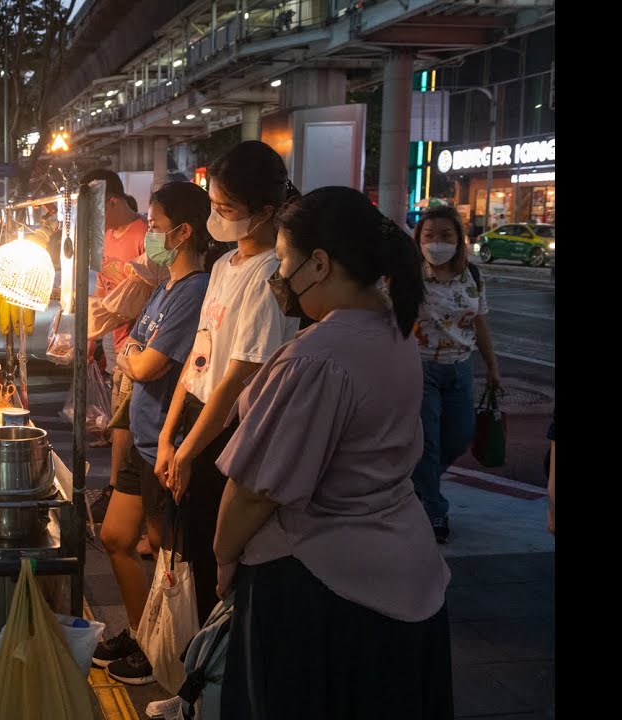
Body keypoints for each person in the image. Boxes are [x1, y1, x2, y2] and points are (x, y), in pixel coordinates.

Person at [213, 186, 452, 719]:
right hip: (406, 570)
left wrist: (224, 556)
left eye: (284, 262)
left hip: (323, 588)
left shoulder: (317, 358)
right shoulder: (395, 331)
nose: (280, 278)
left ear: (319, 264)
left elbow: (254, 492)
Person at [155, 141, 301, 626]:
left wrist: (187, 452)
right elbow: (200, 356)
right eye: (213, 204)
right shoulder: (223, 265)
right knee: (189, 556)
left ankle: (209, 664)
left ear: (265, 211)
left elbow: (237, 379)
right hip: (196, 423)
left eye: (225, 208)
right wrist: (169, 435)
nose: (215, 217)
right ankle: (187, 661)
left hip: (228, 429)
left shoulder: (270, 274)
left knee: (214, 564)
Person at [94, 182, 212, 686]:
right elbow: (133, 349)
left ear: (183, 232)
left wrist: (133, 355)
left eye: (157, 226)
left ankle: (166, 653)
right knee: (115, 537)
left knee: (168, 553)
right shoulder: (164, 287)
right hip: (141, 437)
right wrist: (133, 354)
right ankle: (142, 633)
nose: (150, 238)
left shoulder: (196, 291)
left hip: (165, 442)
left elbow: (145, 364)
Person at [410, 204, 501, 543]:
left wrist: (492, 367)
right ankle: (435, 510)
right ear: (419, 239)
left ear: (459, 239)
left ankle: (416, 486)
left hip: (461, 368)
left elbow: (480, 322)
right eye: (429, 235)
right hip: (420, 368)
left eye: (446, 235)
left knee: (460, 437)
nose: (437, 242)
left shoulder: (472, 275)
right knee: (429, 443)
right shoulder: (409, 275)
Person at [81, 169, 148, 483]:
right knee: (117, 405)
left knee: (129, 418)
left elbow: (153, 291)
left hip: (140, 342)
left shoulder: (145, 235)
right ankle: (119, 476)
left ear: (110, 202)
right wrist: (91, 336)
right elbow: (101, 286)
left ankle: (120, 484)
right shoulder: (105, 236)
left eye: (94, 211)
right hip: (115, 338)